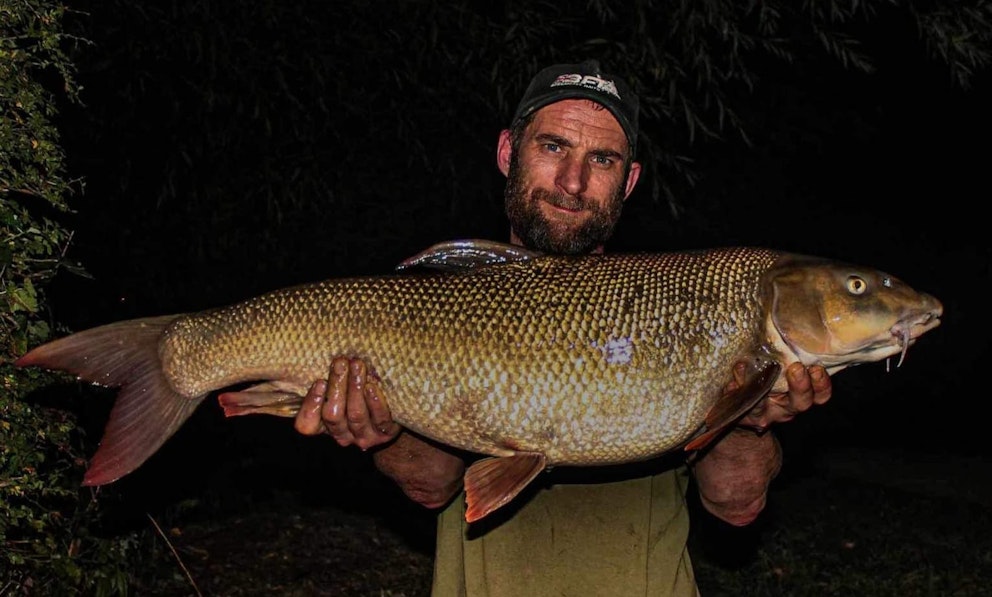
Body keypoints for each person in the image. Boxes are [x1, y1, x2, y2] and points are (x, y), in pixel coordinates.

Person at [294, 60, 832, 596]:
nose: (573, 181)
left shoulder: (668, 309)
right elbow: (431, 486)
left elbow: (736, 507)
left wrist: (743, 415)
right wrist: (381, 431)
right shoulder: (442, 303)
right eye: (553, 147)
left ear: (629, 181)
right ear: (508, 152)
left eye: (602, 159)